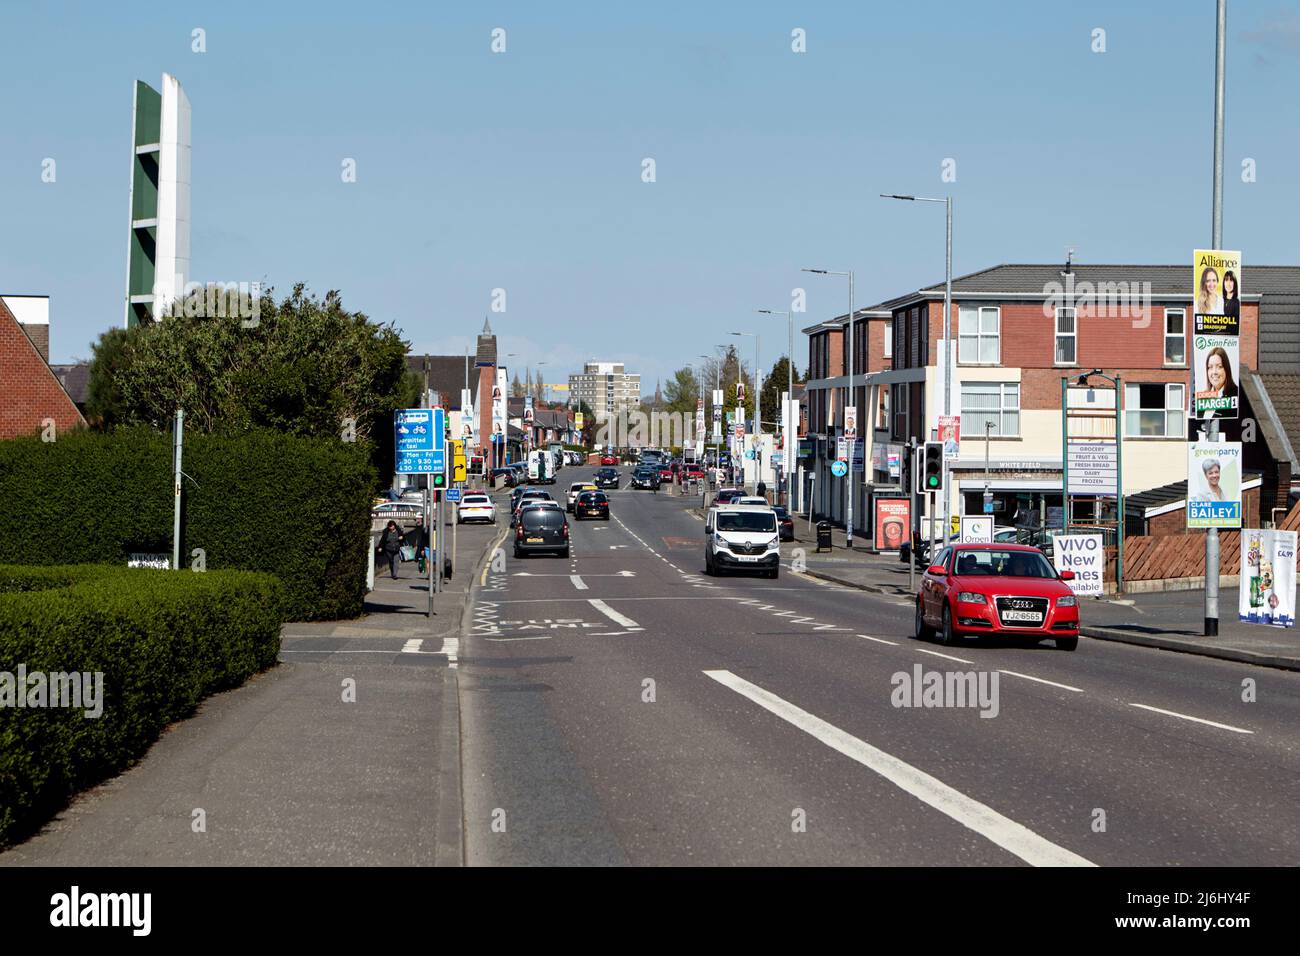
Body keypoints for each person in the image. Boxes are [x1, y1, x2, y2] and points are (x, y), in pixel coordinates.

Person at [1195, 345, 1238, 417]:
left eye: (1219, 367)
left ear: (1226, 369)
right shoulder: (1202, 398)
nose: (1214, 372)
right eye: (1210, 367)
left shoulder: (1236, 395)